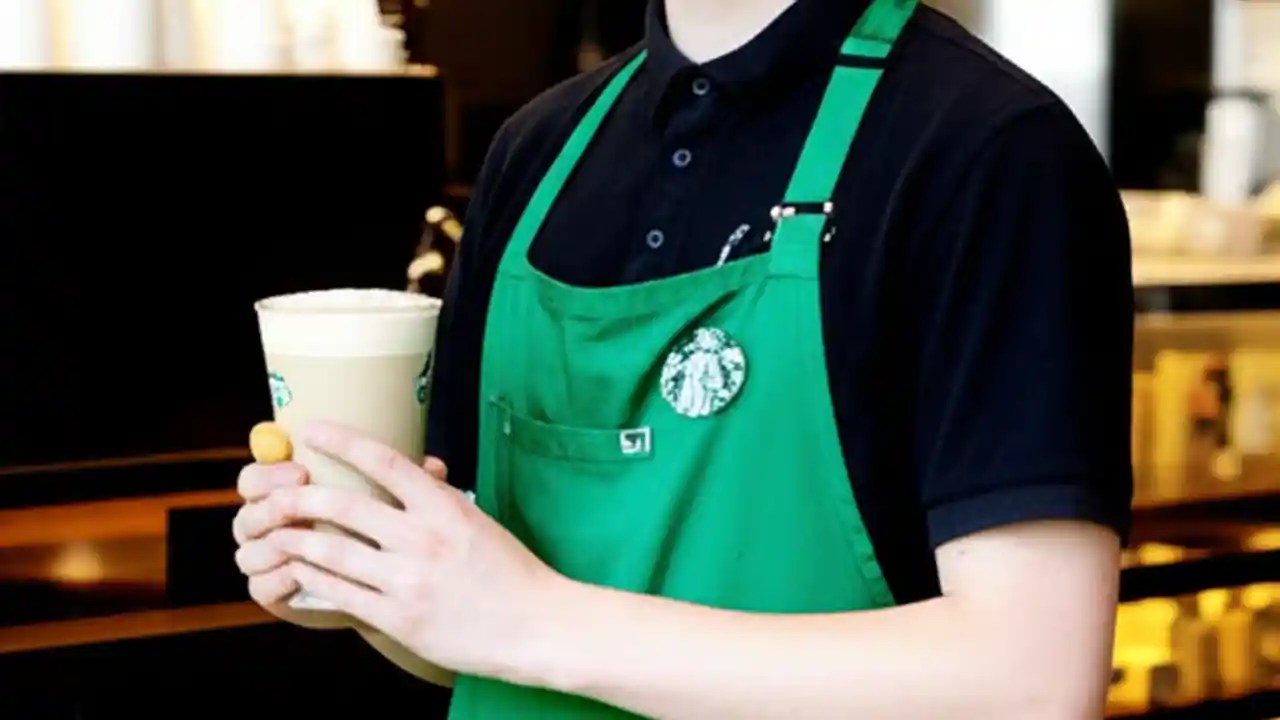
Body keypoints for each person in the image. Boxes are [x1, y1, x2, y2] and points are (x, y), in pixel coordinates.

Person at [231, 0, 1135, 717]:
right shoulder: (536, 156)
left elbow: (1031, 683)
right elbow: (476, 630)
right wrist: (355, 572)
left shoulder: (988, 151)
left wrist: (537, 620)